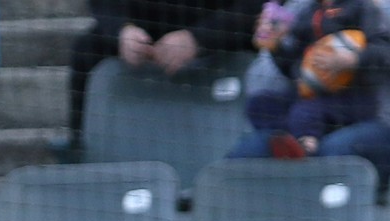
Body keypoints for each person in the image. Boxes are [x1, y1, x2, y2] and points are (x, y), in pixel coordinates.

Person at [57, 0, 266, 160]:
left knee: (267, 55)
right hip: (145, 31)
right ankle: (80, 149)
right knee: (86, 50)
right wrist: (121, 30)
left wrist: (198, 38)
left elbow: (255, 6)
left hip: (219, 29)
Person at [225, 0, 390, 181]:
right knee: (259, 104)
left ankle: (306, 146)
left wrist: (353, 60)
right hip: (313, 95)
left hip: (355, 100)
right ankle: (290, 140)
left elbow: (384, 51)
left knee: (306, 110)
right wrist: (277, 46)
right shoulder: (308, 12)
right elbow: (297, 70)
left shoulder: (363, 7)